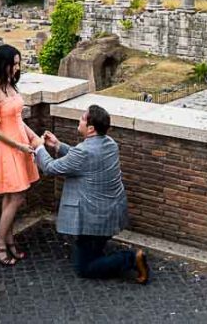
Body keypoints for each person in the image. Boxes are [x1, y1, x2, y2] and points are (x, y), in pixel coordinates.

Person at [33, 105, 149, 284]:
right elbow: (83, 160)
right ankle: (101, 252)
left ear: (91, 128)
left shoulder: (84, 152)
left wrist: (39, 148)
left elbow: (50, 168)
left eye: (82, 118)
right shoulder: (110, 144)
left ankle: (131, 258)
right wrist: (58, 145)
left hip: (93, 219)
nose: (78, 121)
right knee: (93, 251)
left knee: (84, 268)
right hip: (111, 212)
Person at [0, 44, 40, 266]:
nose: (17, 68)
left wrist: (34, 138)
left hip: (21, 146)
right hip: (7, 150)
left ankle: (8, 240)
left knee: (11, 198)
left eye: (18, 64)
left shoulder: (11, 87)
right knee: (17, 197)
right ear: (2, 63)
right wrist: (19, 145)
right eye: (13, 64)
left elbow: (17, 120)